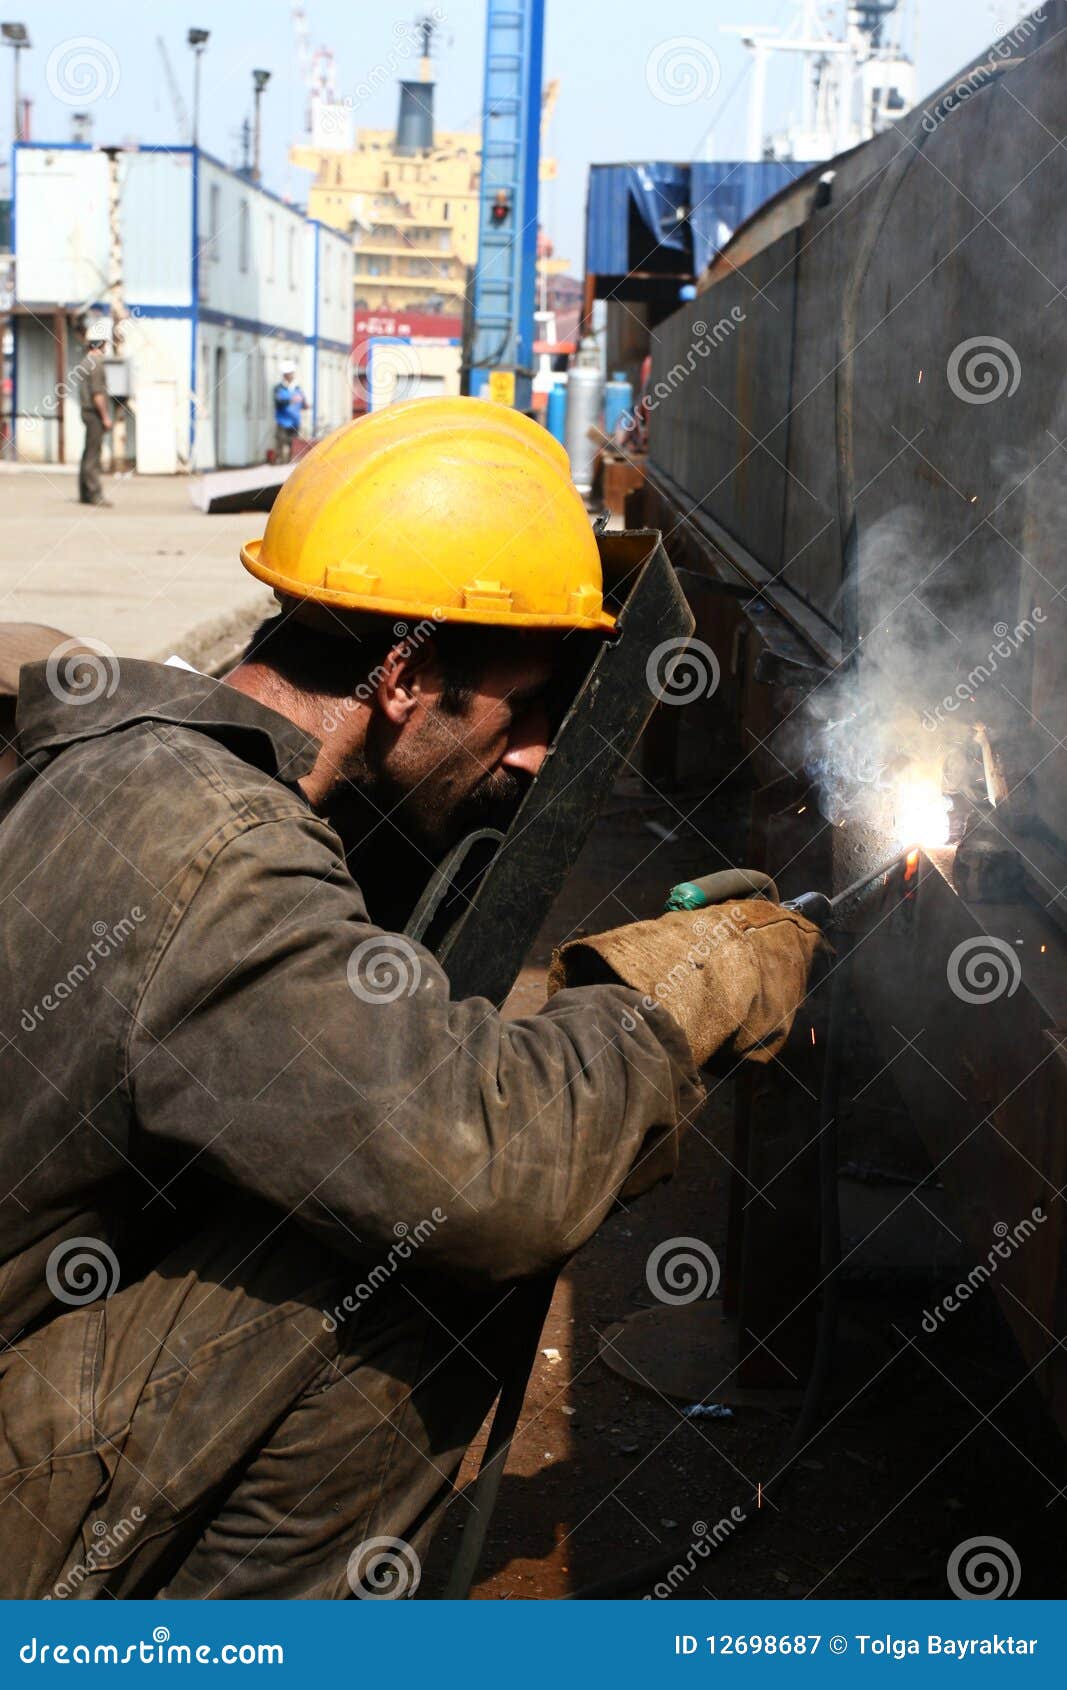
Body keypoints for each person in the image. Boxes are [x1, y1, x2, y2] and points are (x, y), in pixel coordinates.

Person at [0, 399, 821, 1598]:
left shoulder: (138, 742)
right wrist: (683, 988)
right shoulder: (221, 856)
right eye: (520, 706)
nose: (535, 751)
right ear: (406, 674)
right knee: (421, 1269)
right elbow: (488, 1165)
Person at [75, 326, 112, 507]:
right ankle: (94, 493)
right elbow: (97, 394)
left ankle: (84, 493)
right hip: (94, 413)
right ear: (101, 344)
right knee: (93, 454)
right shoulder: (96, 364)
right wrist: (105, 417)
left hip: (86, 411)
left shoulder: (85, 361)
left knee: (87, 452)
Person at [273, 359, 306, 461]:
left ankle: (290, 462)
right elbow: (278, 402)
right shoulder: (278, 388)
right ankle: (280, 461)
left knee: (293, 446)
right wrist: (290, 400)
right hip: (283, 421)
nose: (291, 375)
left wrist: (305, 404)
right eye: (289, 374)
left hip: (295, 421)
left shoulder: (297, 388)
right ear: (285, 375)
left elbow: (303, 402)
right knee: (281, 443)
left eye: (292, 373)